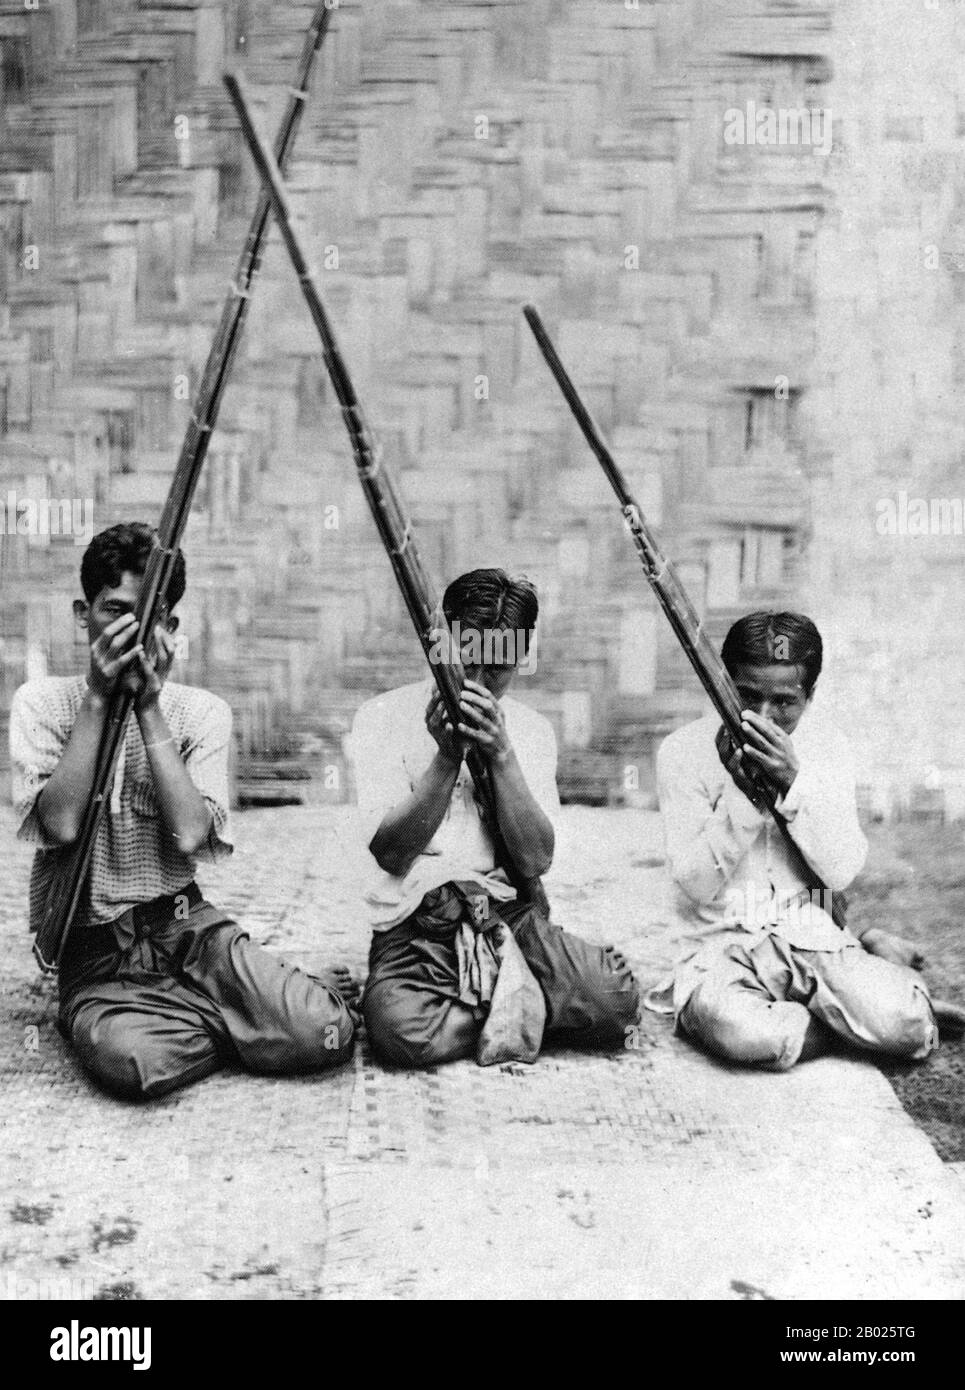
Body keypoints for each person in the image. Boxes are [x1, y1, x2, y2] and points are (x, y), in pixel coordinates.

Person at [10, 522, 358, 1100]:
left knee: (327, 1030)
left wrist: (148, 709)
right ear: (82, 613)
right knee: (133, 1066)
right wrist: (99, 698)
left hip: (188, 930)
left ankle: (254, 1004)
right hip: (98, 957)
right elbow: (61, 824)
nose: (128, 632)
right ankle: (254, 1015)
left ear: (169, 628)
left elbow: (195, 838)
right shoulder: (41, 703)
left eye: (147, 619)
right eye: (112, 610)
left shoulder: (201, 713)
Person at [350, 567, 640, 1068]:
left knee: (615, 999)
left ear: (522, 659)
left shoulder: (530, 730)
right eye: (469, 664)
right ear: (440, 643)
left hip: (508, 913)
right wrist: (446, 757)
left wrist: (503, 755)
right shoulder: (380, 718)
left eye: (499, 669)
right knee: (398, 1034)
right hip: (419, 919)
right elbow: (392, 853)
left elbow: (535, 860)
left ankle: (491, 1000)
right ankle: (519, 1003)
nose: (480, 684)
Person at [652, 609, 960, 1071]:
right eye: (746, 696)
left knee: (906, 1024)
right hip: (719, 944)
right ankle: (846, 1019)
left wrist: (792, 785)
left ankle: (862, 984)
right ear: (722, 682)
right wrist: (745, 800)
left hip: (811, 935)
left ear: (809, 697)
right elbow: (695, 884)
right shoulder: (682, 751)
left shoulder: (829, 748)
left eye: (784, 703)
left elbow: (839, 871)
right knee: (749, 1035)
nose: (762, 718)